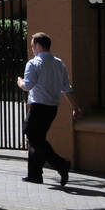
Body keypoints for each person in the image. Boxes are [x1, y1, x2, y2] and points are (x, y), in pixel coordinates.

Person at [16, 32, 82, 185]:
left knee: (31, 133)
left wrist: (19, 82)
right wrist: (75, 107)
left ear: (38, 45)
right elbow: (66, 88)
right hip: (52, 108)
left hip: (38, 106)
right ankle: (34, 174)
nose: (32, 48)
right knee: (38, 140)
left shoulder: (33, 63)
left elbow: (28, 85)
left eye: (33, 45)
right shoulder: (59, 63)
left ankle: (60, 164)